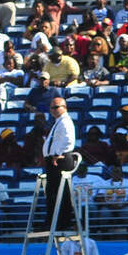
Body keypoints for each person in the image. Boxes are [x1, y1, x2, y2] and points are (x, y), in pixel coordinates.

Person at [41, 95, 77, 233]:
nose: (54, 110)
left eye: (57, 107)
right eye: (52, 108)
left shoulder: (65, 121)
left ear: (65, 107)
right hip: (54, 159)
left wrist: (58, 153)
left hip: (60, 159)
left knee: (61, 193)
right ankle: (53, 222)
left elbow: (68, 140)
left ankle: (62, 223)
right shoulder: (58, 122)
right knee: (52, 193)